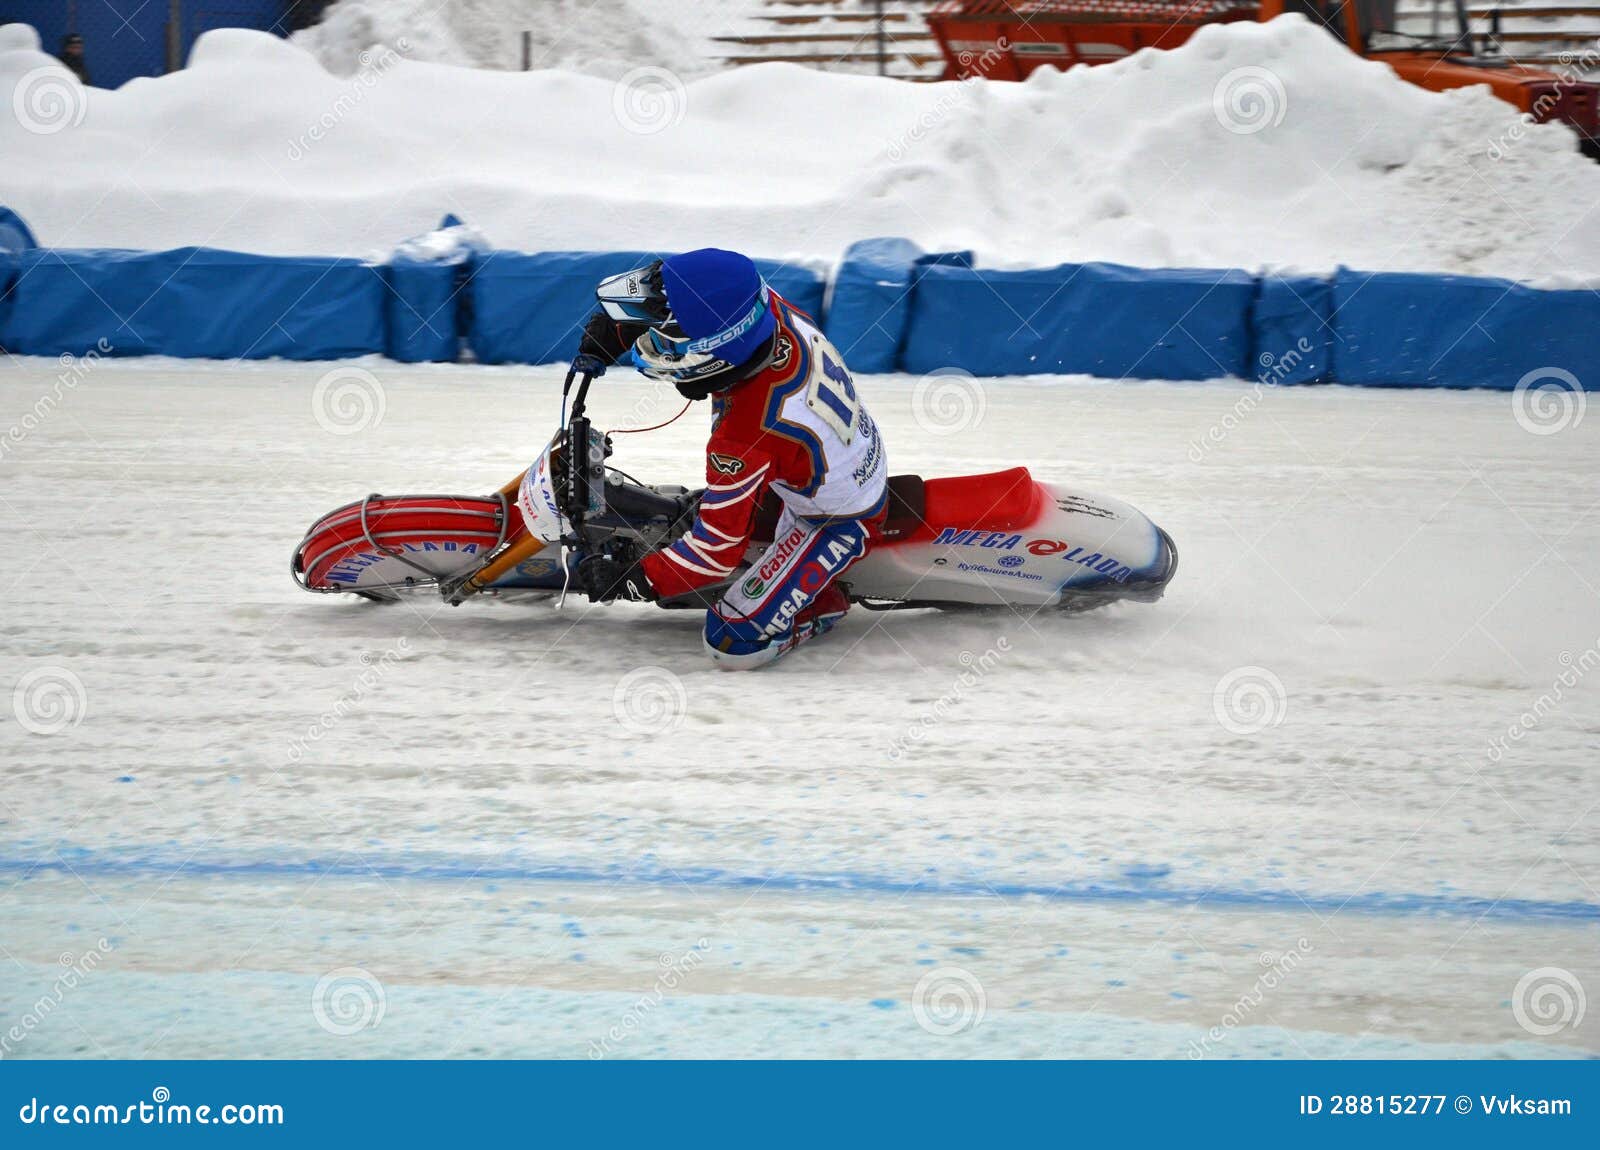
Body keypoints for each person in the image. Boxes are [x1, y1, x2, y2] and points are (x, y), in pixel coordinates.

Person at [573, 248, 888, 670]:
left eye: (667, 338)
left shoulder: (744, 435)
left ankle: (821, 606)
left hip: (834, 518)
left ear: (710, 362)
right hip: (828, 458)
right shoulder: (761, 306)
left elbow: (714, 553)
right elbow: (704, 304)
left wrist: (636, 580)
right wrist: (623, 330)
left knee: (730, 642)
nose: (658, 340)